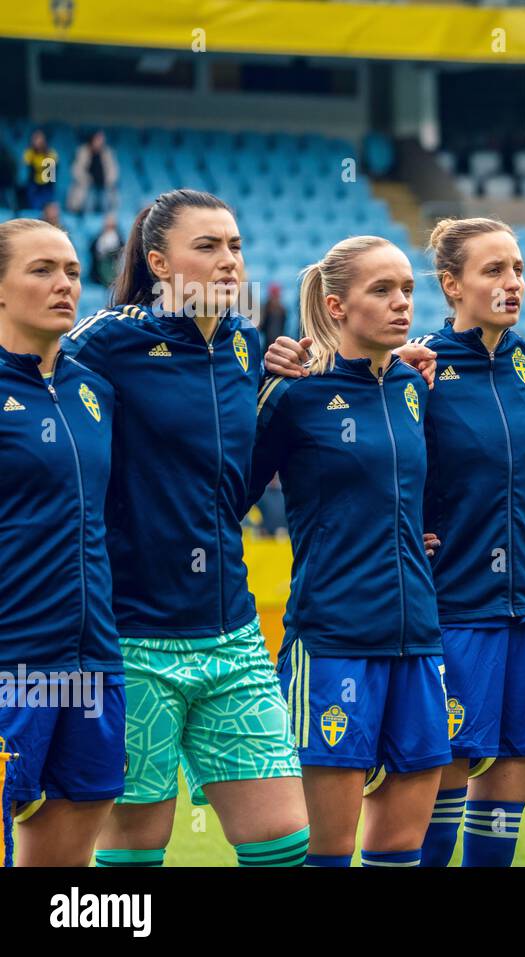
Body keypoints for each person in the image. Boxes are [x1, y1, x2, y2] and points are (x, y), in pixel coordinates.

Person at [60, 189, 309, 868]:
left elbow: (235, 486)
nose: (229, 261)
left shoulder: (243, 343)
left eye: (234, 246)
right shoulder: (105, 341)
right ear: (158, 262)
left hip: (231, 631)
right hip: (132, 633)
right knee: (135, 849)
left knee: (285, 841)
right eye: (208, 247)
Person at [248, 237, 450, 868]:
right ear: (335, 305)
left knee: (399, 850)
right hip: (333, 639)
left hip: (417, 637)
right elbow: (225, 499)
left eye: (408, 291)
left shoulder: (414, 389)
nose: (402, 304)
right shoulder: (293, 395)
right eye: (382, 291)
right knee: (327, 853)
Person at [406, 216, 525, 867]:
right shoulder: (423, 367)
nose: (513, 282)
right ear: (452, 283)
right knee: (441, 792)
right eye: (494, 270)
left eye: (519, 269)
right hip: (458, 608)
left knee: (515, 774)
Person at [0, 219, 120, 866]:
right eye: (42, 270)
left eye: (73, 271)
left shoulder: (93, 389)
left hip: (93, 665)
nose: (65, 284)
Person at [67, 131, 119, 215]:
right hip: (86, 186)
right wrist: (87, 179)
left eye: (102, 140)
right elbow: (76, 171)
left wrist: (107, 181)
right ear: (92, 140)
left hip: (103, 187)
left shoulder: (107, 152)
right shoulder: (82, 151)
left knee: (109, 196)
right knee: (87, 197)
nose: (100, 142)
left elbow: (113, 171)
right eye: (98, 139)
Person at [21, 130, 57, 211]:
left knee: (47, 200)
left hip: (47, 185)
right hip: (33, 184)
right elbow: (25, 169)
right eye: (35, 139)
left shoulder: (51, 153)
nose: (37, 142)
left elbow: (51, 175)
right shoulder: (29, 153)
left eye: (40, 139)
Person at [87, 215, 123, 287]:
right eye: (107, 227)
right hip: (98, 275)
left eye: (112, 227)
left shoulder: (121, 241)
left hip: (115, 272)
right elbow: (93, 253)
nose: (110, 230)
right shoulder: (96, 240)